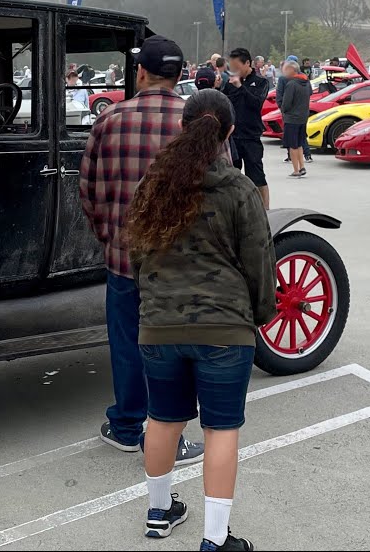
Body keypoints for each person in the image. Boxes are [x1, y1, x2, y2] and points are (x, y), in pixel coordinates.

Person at [127, 89, 274, 552]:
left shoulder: (152, 185)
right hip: (224, 329)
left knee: (163, 419)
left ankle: (158, 510)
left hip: (159, 326)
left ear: (182, 127)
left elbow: (135, 257)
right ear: (230, 132)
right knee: (221, 430)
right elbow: (259, 261)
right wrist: (259, 314)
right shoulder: (238, 189)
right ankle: (215, 540)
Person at [79, 35, 205, 467]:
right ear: (181, 75)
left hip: (124, 259)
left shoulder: (109, 120)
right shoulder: (198, 126)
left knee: (128, 344)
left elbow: (89, 192)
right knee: (175, 348)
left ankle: (127, 425)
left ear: (142, 73)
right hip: (181, 263)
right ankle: (169, 436)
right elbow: (220, 194)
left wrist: (109, 236)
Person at [224, 47, 271, 208]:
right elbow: (223, 103)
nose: (234, 71)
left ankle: (265, 210)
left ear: (248, 63)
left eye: (237, 67)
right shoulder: (229, 83)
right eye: (232, 67)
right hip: (233, 137)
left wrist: (240, 87)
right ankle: (235, 210)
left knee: (257, 176)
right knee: (232, 177)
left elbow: (256, 103)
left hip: (251, 137)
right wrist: (217, 88)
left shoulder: (261, 82)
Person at [279, 59, 311, 178]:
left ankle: (296, 170)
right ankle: (302, 166)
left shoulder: (291, 84)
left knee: (292, 145)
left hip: (292, 118)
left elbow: (286, 102)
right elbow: (310, 94)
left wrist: (284, 110)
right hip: (303, 116)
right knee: (299, 143)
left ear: (292, 70)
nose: (284, 71)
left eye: (286, 69)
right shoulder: (306, 82)